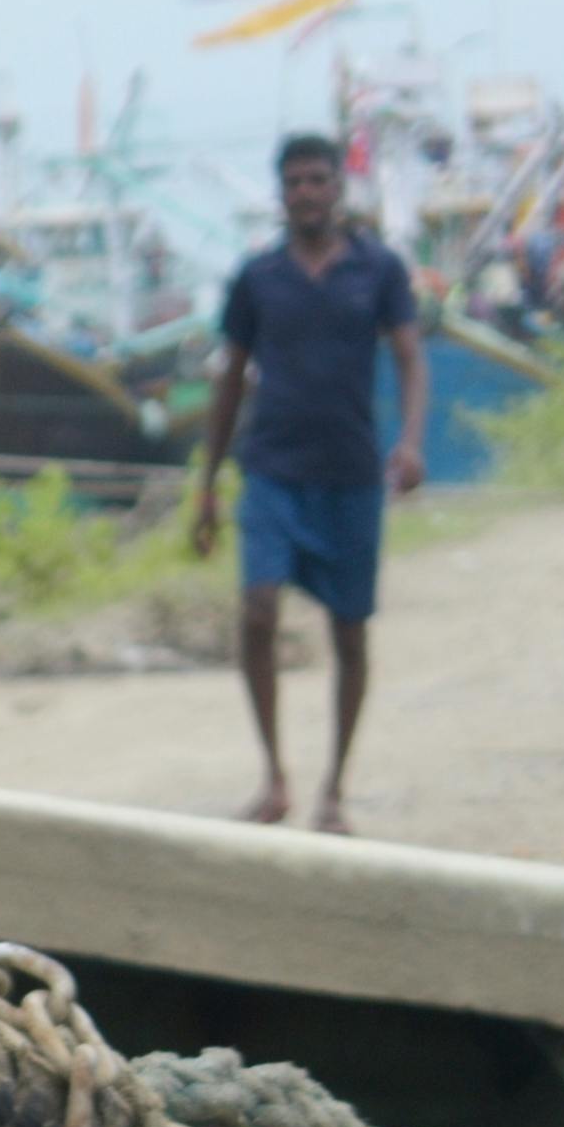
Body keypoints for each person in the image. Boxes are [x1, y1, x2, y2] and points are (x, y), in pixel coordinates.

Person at [189, 129, 427, 831]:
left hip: (351, 473)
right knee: (258, 613)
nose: (306, 193)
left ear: (338, 188)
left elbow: (413, 361)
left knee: (349, 634)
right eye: (294, 183)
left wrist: (410, 444)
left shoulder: (378, 271)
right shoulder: (257, 278)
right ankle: (274, 778)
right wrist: (207, 485)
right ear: (281, 194)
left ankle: (334, 791)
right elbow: (230, 380)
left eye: (318, 180)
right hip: (271, 472)